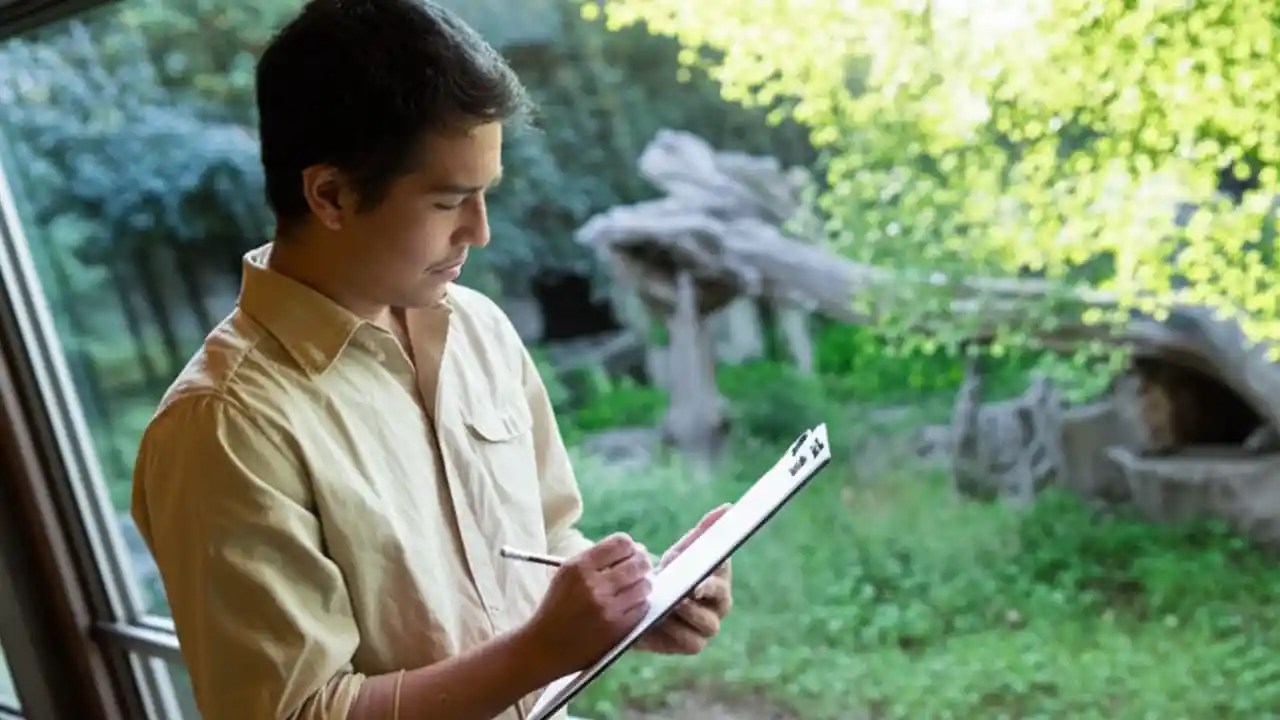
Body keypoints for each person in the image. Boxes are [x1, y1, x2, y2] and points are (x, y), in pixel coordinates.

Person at [128, 1, 734, 719]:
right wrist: (539, 652)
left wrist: (634, 603)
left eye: (486, 194)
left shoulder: (478, 330)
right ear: (331, 194)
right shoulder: (222, 427)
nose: (480, 231)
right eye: (451, 201)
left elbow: (541, 548)